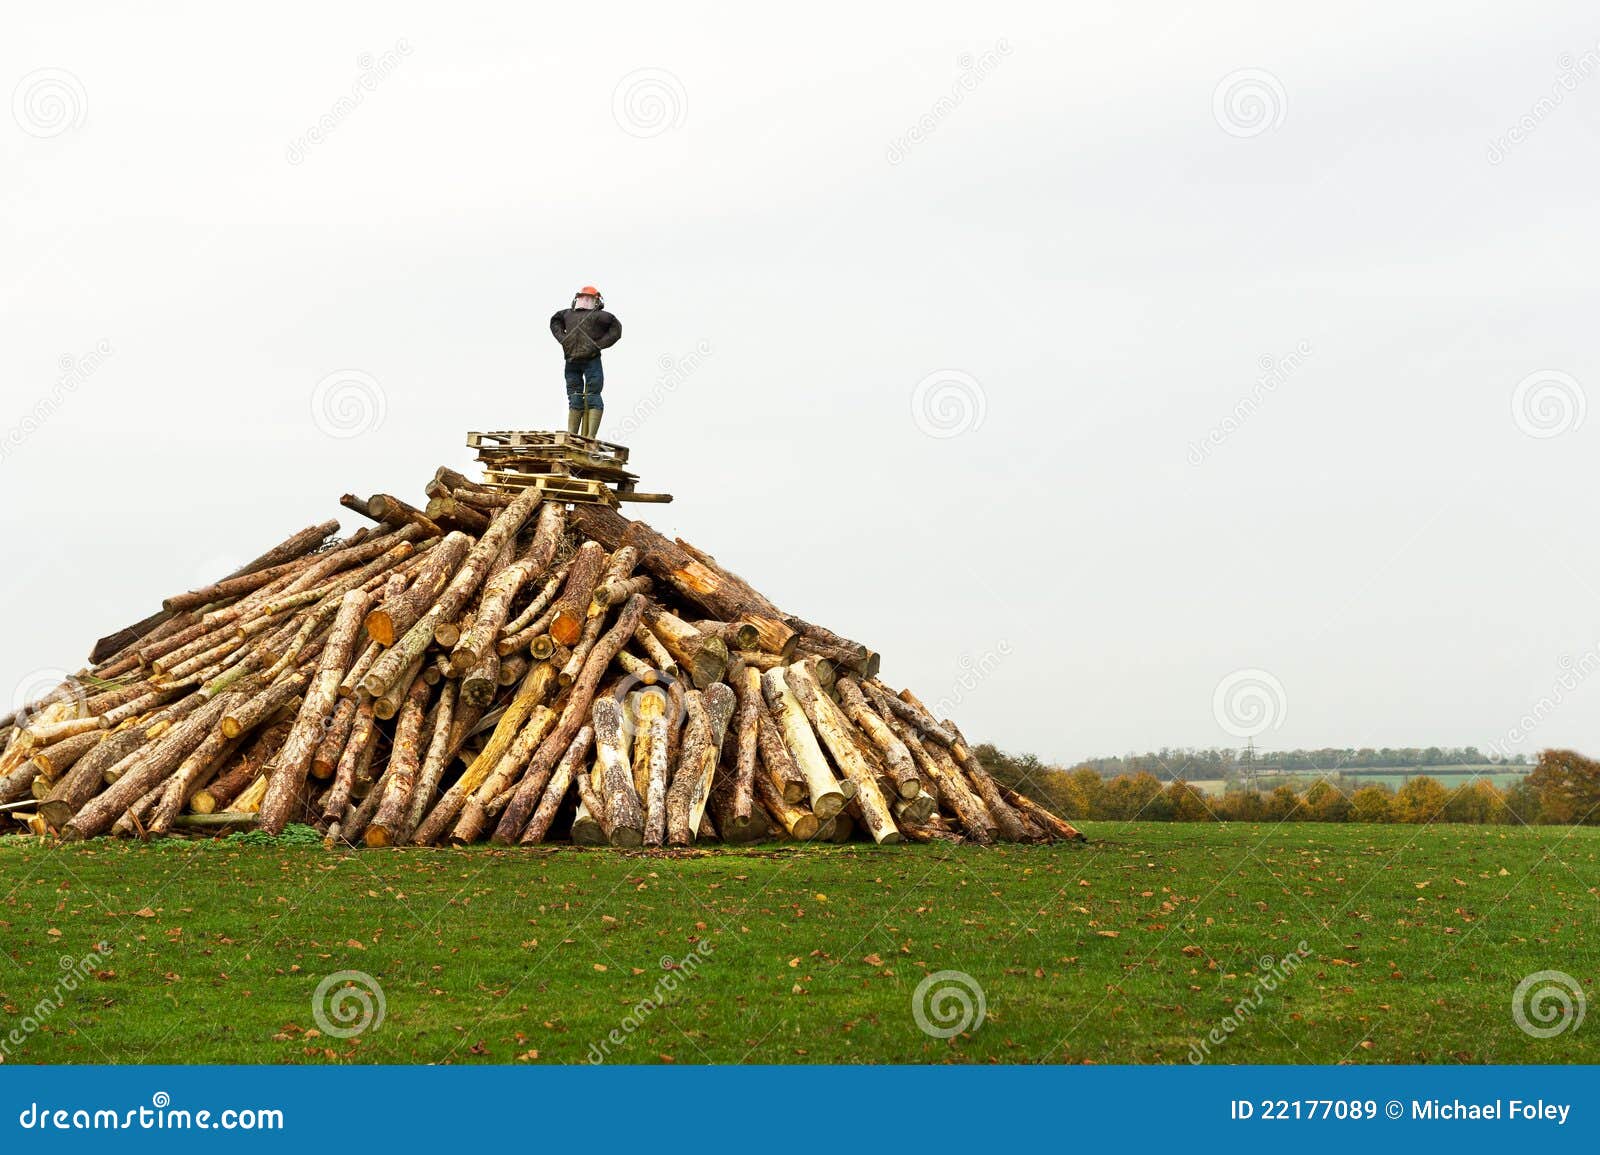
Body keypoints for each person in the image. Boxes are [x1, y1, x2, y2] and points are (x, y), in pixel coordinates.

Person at [549, 285, 622, 437]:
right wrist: (564, 339)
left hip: (584, 358)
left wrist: (598, 344)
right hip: (576, 360)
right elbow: (555, 321)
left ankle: (586, 436)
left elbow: (616, 330)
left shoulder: (597, 316)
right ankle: (577, 436)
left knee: (587, 395)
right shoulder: (571, 314)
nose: (585, 301)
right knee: (579, 395)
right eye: (583, 298)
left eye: (588, 298)